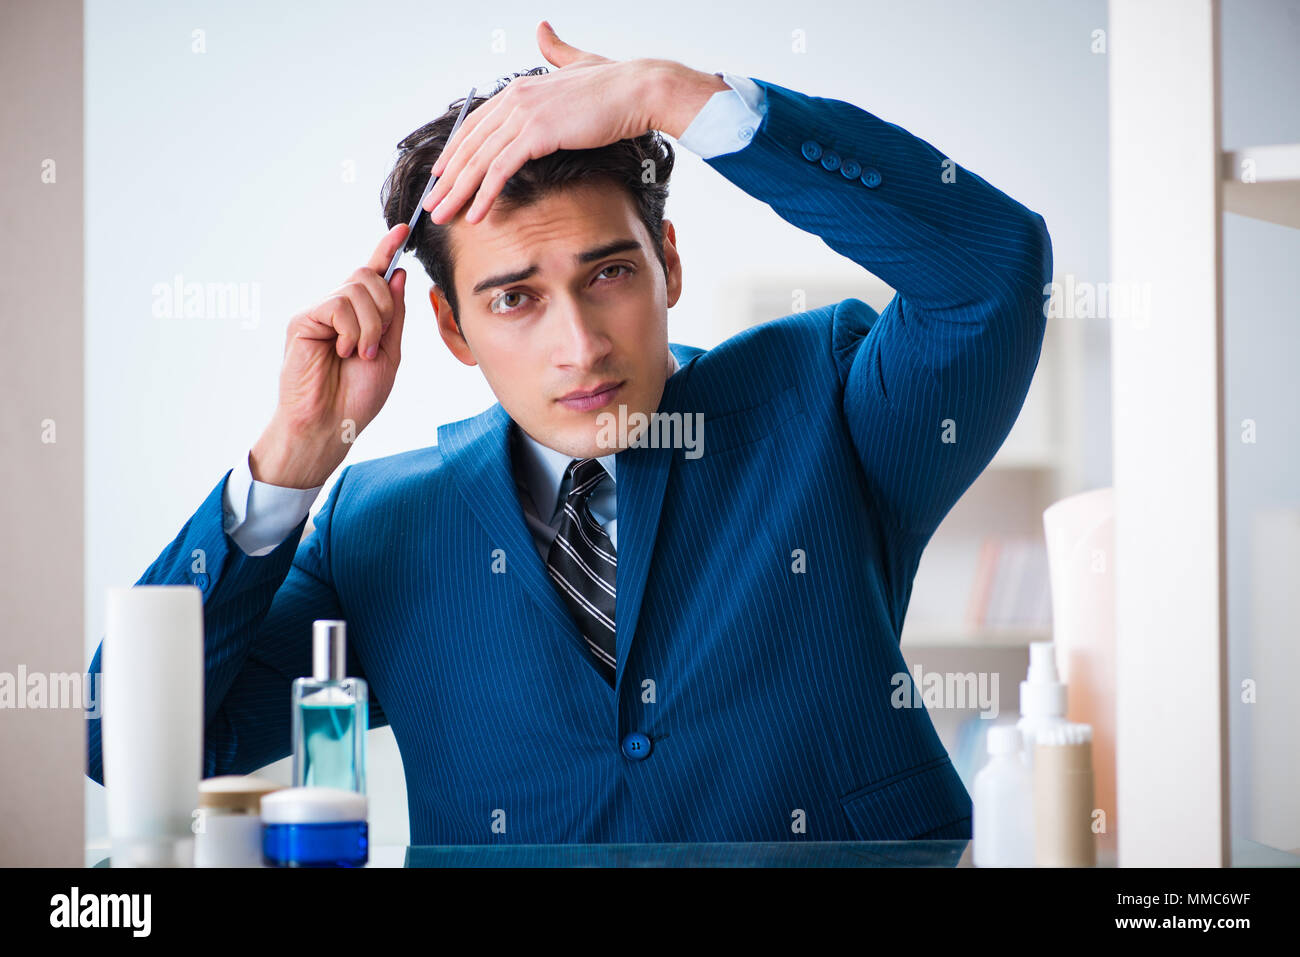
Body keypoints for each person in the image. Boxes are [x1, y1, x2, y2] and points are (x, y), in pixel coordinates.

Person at [87, 21, 1052, 844]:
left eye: (608, 274)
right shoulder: (378, 523)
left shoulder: (825, 395)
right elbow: (123, 739)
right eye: (514, 299)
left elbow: (990, 270)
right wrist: (293, 458)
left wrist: (677, 97)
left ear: (666, 261)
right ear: (454, 329)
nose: (580, 345)